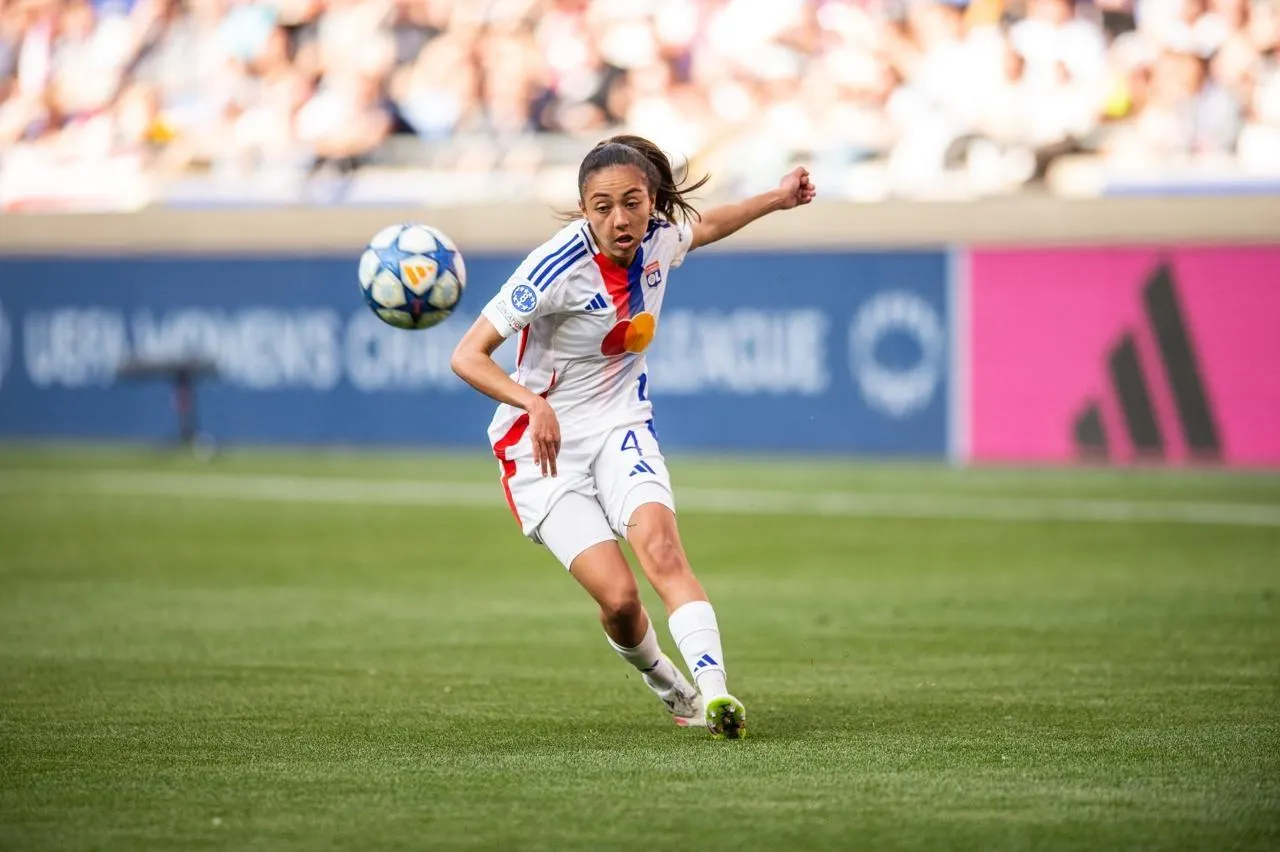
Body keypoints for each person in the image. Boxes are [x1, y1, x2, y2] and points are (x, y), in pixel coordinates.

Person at [449, 134, 816, 739]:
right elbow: (468, 355)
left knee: (665, 554)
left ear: (652, 201)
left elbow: (709, 225)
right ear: (584, 209)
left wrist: (777, 199)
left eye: (632, 202)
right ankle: (673, 688)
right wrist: (531, 401)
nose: (619, 219)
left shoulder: (659, 238)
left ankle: (718, 694)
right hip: (541, 446)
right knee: (620, 600)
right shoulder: (552, 269)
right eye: (601, 206)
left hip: (621, 425)